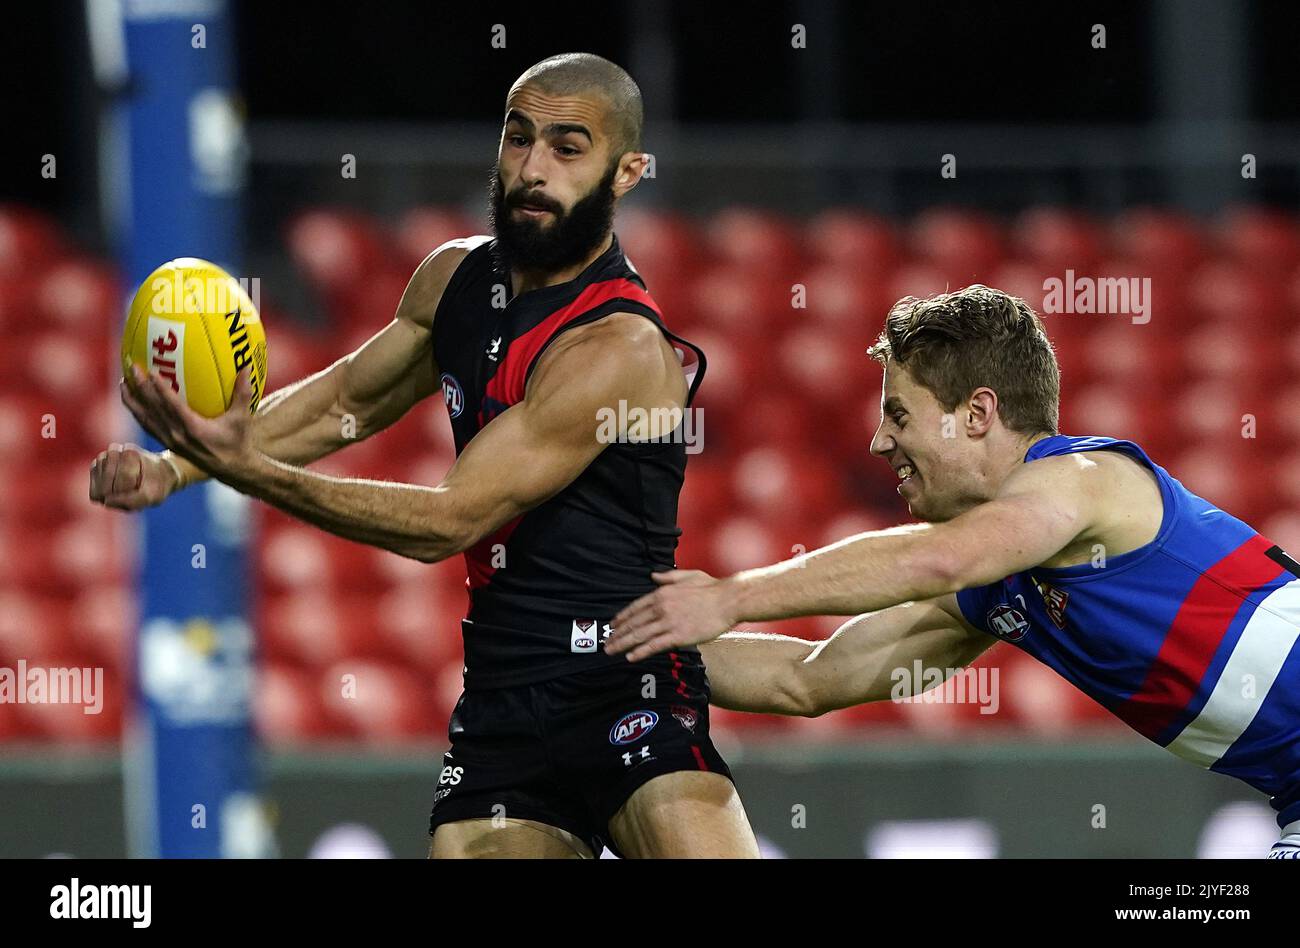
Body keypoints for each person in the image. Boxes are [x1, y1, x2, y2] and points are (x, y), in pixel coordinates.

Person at [93, 52, 758, 859]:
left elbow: (448, 521)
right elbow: (344, 403)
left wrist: (246, 470)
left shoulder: (617, 347)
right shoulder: (454, 281)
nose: (533, 169)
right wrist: (177, 467)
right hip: (503, 702)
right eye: (519, 138)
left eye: (568, 148)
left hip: (628, 684)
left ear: (627, 173)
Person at [604, 284, 1300, 858]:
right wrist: (616, 641)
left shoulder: (1085, 478)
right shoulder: (994, 587)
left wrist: (732, 597)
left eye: (899, 414)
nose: (879, 442)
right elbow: (808, 678)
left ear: (977, 413)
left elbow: (937, 557)